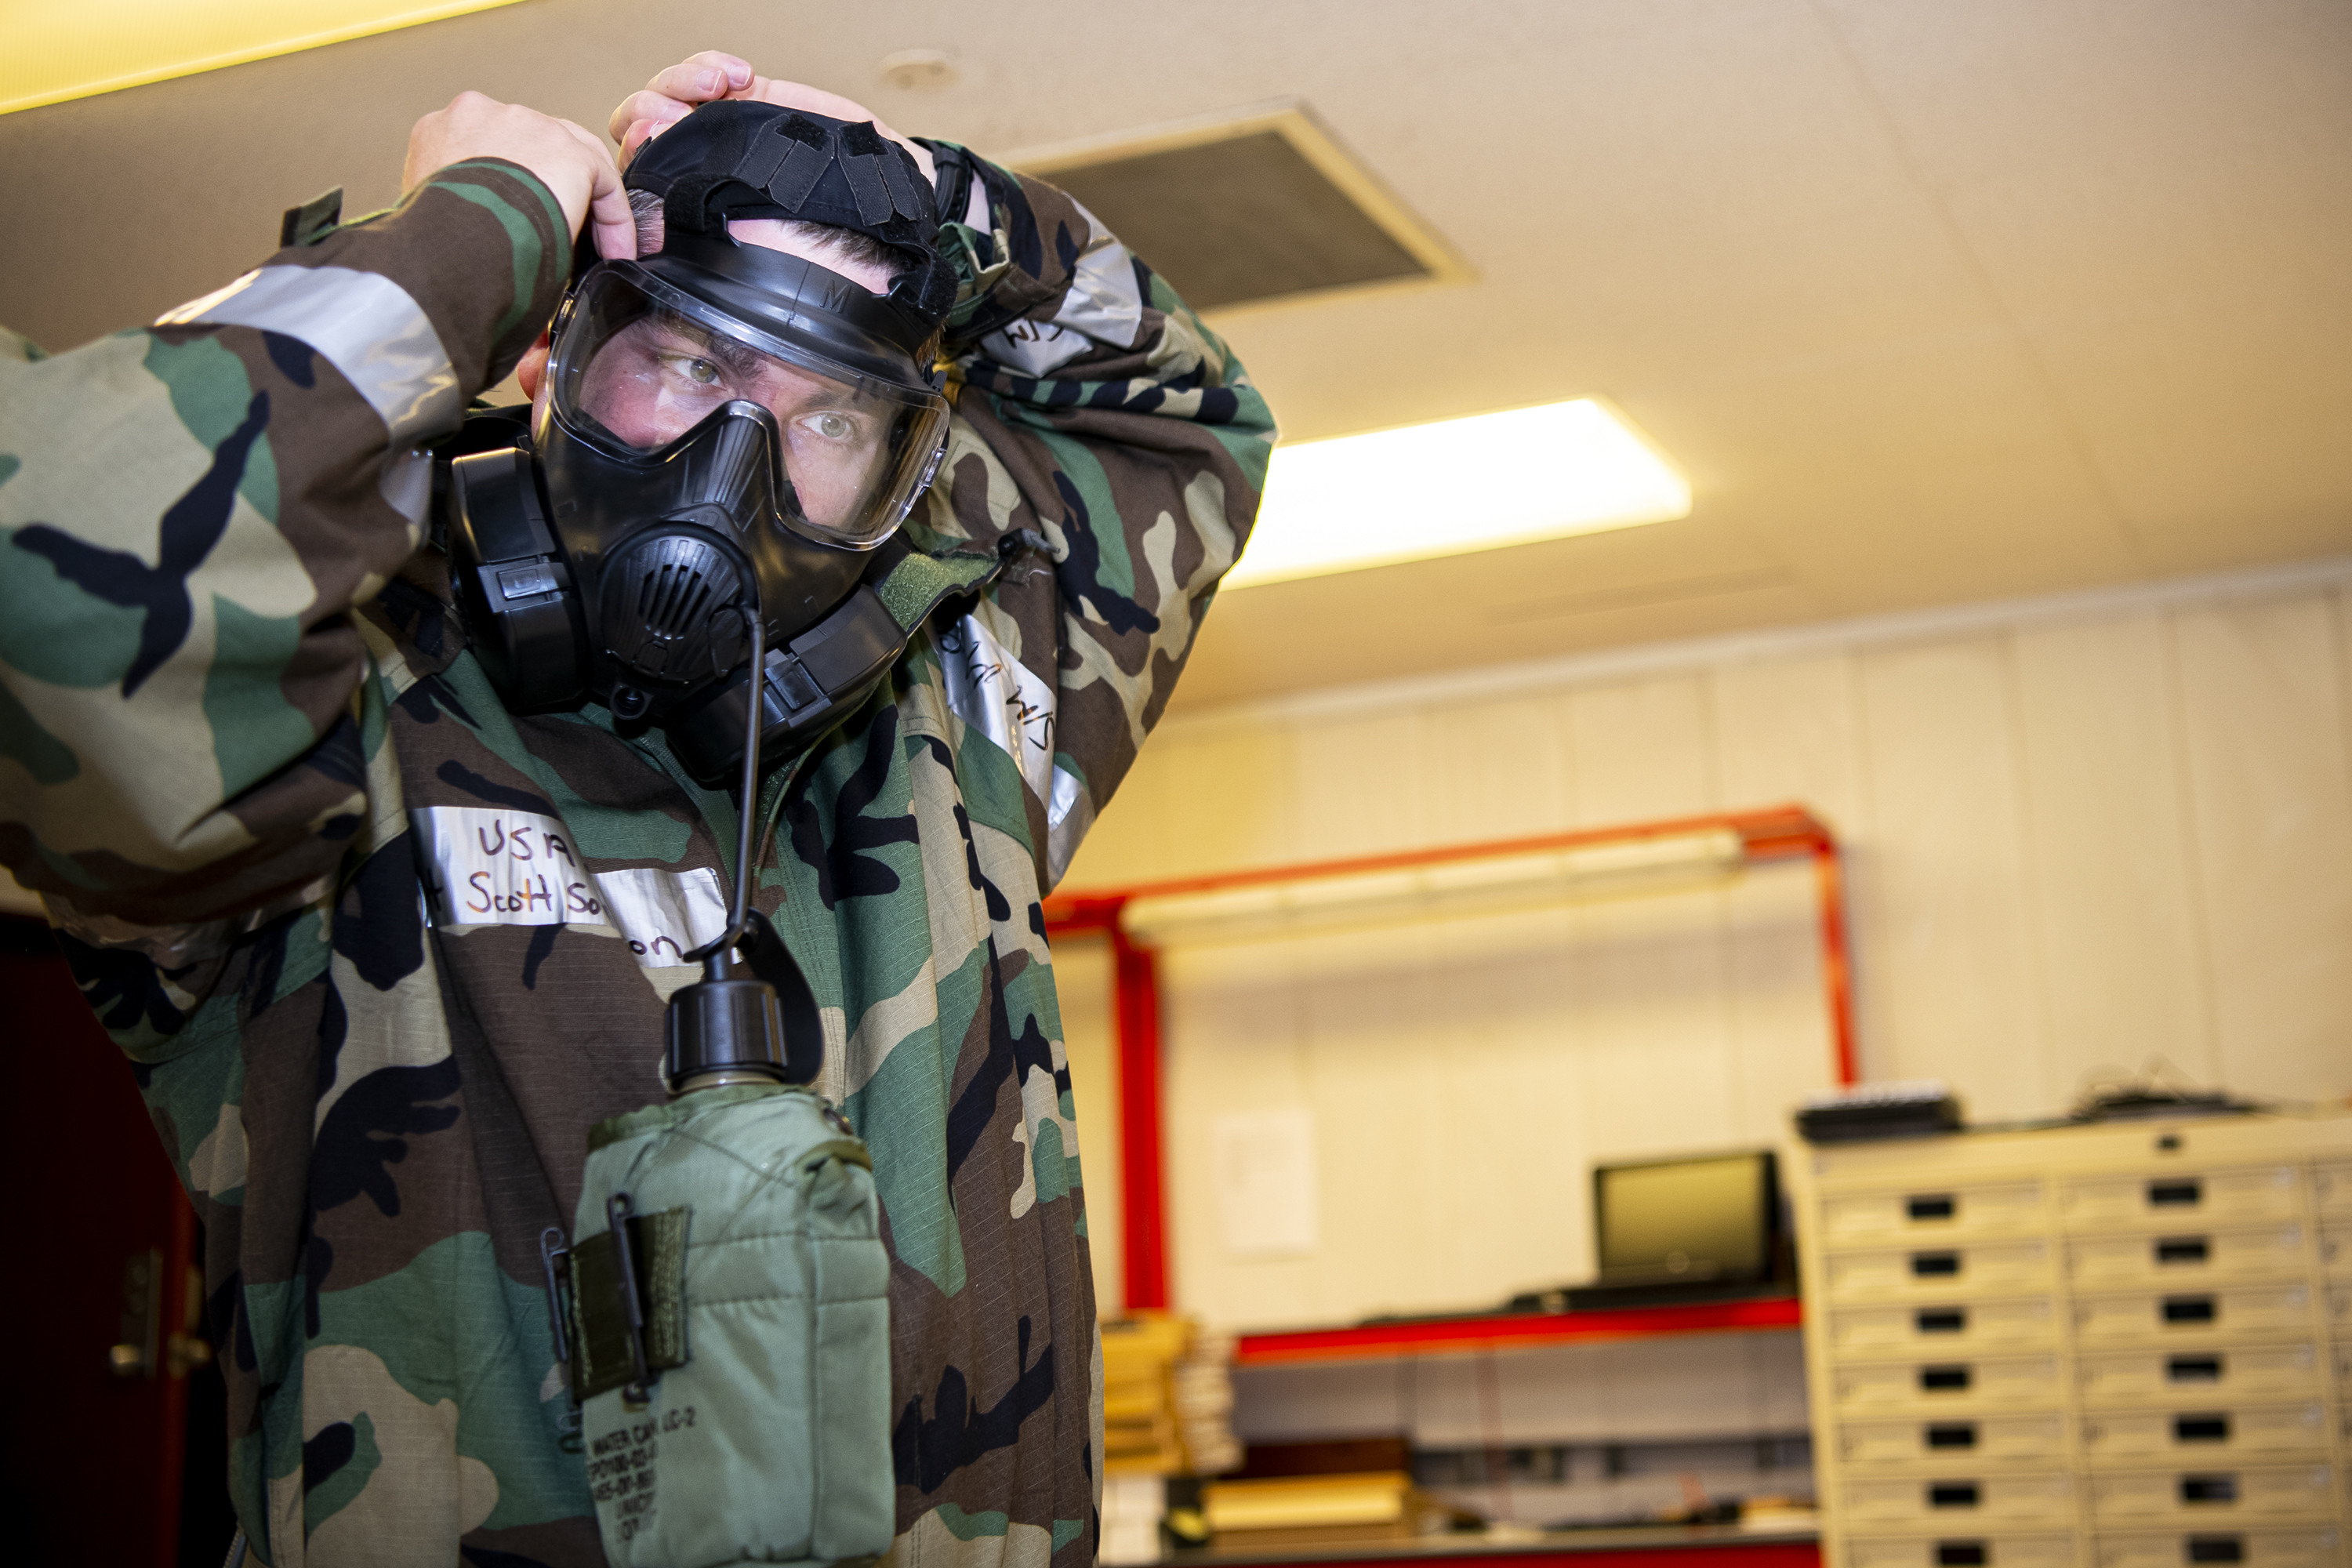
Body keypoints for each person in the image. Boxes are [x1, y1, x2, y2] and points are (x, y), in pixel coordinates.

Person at [0, 50, 1269, 1567]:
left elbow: (1185, 425)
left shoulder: (963, 721)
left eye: (826, 418)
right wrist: (473, 232)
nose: (737, 466)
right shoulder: (334, 715)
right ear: (549, 356)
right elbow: (44, 573)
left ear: (894, 474)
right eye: (686, 365)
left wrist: (944, 201)